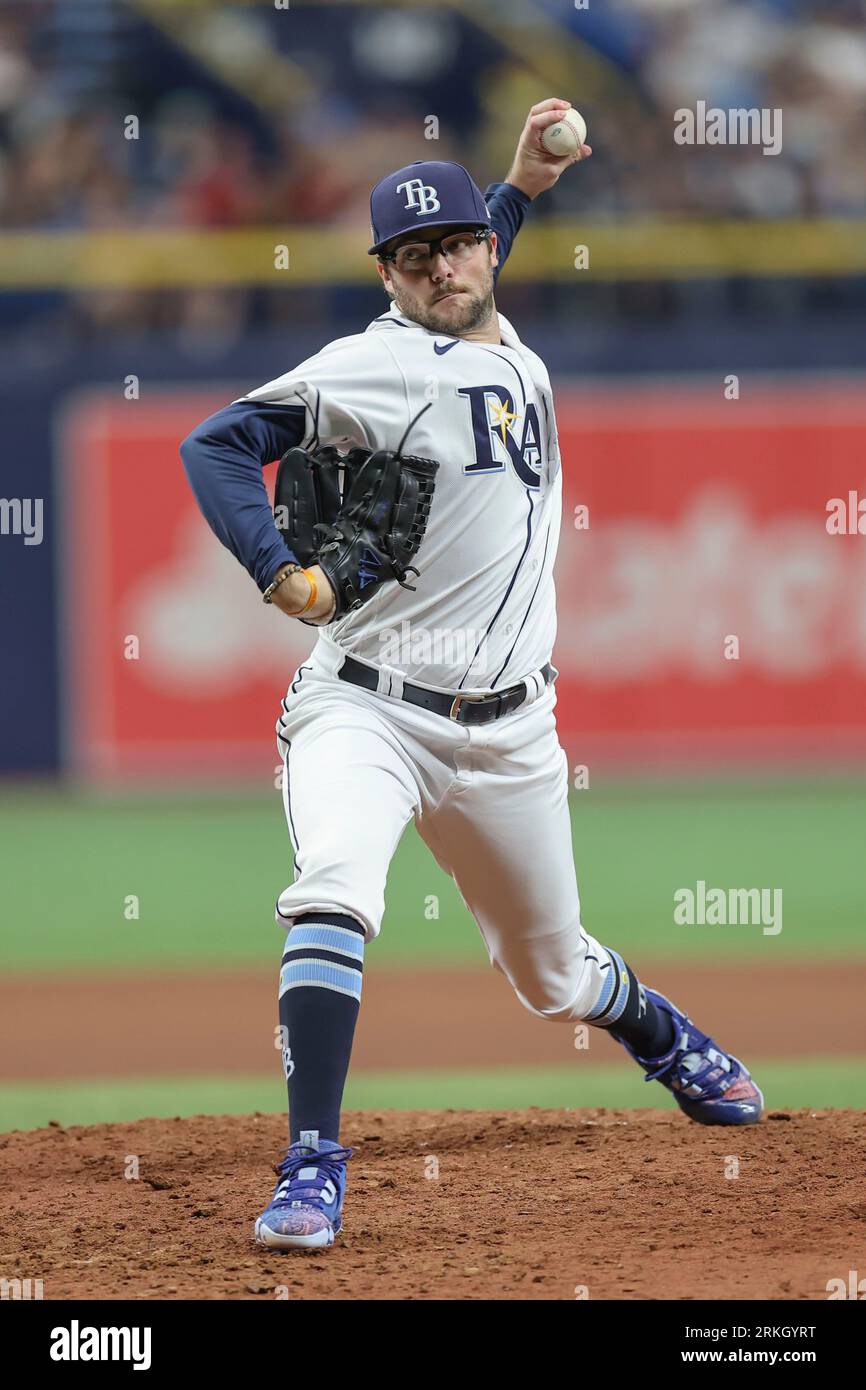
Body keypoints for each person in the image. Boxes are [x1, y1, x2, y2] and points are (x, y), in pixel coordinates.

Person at [180, 99, 762, 1254]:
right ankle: (311, 1162)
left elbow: (475, 272)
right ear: (386, 278)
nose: (438, 266)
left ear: (484, 248)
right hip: (364, 707)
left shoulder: (496, 328)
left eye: (452, 243)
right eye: (409, 256)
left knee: (552, 973)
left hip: (510, 733)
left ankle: (651, 1026)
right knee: (334, 885)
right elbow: (215, 443)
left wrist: (520, 185)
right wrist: (280, 575)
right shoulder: (372, 363)